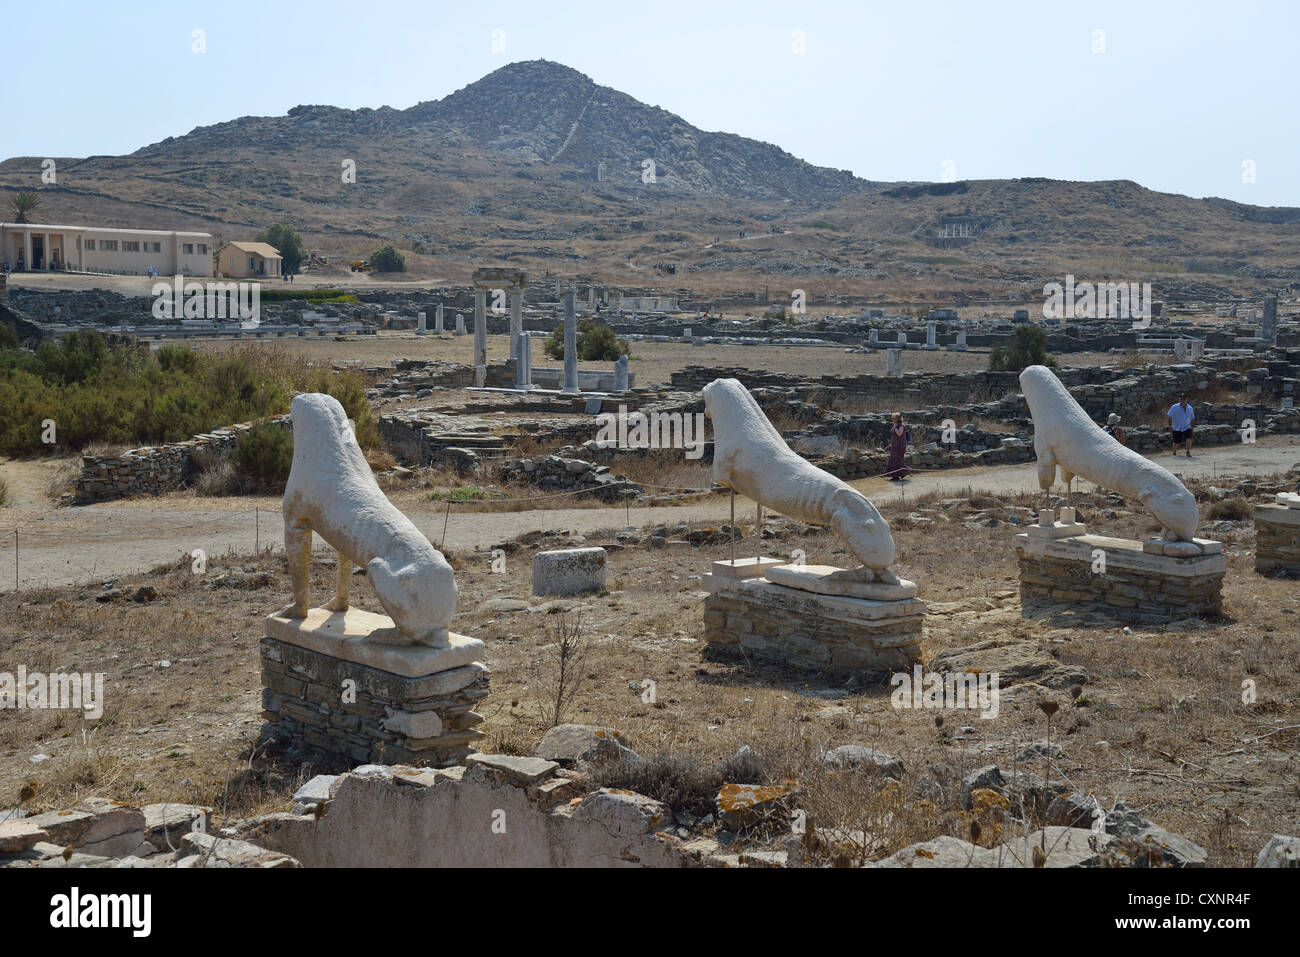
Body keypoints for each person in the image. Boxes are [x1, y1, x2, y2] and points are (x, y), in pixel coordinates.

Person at [886, 413, 911, 480]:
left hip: (900, 445)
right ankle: (895, 475)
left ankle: (903, 472)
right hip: (895, 444)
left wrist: (895, 428)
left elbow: (899, 434)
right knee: (893, 459)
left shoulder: (901, 425)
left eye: (894, 418)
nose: (893, 419)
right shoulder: (896, 425)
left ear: (897, 419)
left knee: (898, 459)